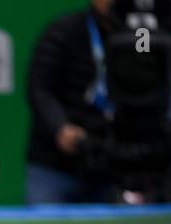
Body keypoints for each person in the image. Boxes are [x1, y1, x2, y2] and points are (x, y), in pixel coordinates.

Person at [24, 0, 119, 204]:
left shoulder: (141, 38)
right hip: (56, 167)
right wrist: (60, 127)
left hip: (115, 167)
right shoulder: (64, 30)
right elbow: (40, 89)